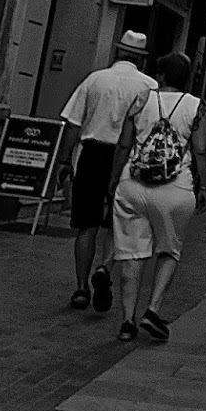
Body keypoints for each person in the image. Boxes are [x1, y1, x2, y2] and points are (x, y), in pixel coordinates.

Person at [108, 51, 206, 342]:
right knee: (169, 250)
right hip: (175, 188)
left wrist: (115, 179)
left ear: (161, 76)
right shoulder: (196, 106)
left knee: (131, 251)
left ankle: (127, 320)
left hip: (134, 184)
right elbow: (200, 149)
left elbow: (124, 144)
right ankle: (153, 309)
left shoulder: (141, 100)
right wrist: (204, 186)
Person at [58, 30, 157, 312]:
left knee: (86, 224)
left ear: (117, 53)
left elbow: (73, 124)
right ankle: (104, 267)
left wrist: (64, 160)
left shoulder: (95, 79)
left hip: (92, 154)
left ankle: (80, 288)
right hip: (127, 157)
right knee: (116, 222)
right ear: (140, 59)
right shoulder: (149, 86)